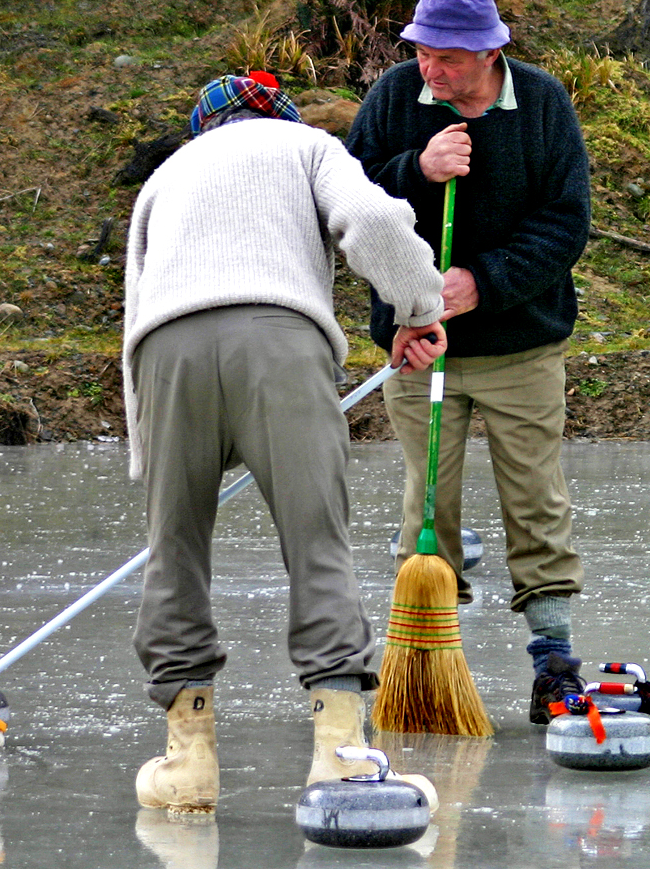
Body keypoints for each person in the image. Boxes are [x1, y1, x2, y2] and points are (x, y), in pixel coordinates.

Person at [123, 71, 447, 813]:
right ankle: (338, 754)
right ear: (283, 115)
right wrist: (419, 307)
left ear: (207, 128)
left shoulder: (168, 174)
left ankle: (188, 760)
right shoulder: (308, 146)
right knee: (315, 541)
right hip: (280, 341)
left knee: (174, 545)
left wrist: (153, 447)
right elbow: (373, 220)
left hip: (165, 352)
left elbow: (137, 306)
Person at [345, 0, 592, 725]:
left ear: (491, 53)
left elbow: (565, 224)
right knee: (428, 502)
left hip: (520, 347)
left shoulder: (543, 104)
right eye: (422, 53)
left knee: (535, 500)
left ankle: (554, 661)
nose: (431, 71)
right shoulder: (394, 97)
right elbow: (350, 198)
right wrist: (417, 171)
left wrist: (480, 282)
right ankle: (424, 658)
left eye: (448, 59)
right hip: (418, 346)